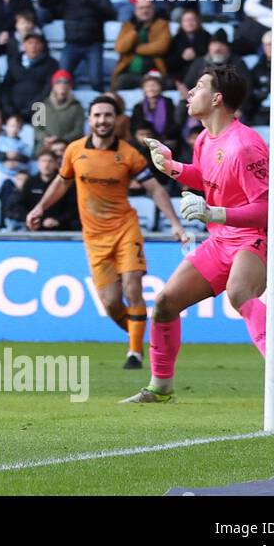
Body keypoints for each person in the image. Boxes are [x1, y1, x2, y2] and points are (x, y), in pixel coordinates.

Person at [130, 65, 272, 403]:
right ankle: (160, 388)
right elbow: (207, 178)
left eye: (198, 86)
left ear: (217, 97)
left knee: (239, 293)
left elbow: (268, 208)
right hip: (220, 239)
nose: (190, 93)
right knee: (165, 303)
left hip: (253, 237)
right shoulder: (205, 138)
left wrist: (215, 212)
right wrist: (172, 167)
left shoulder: (246, 145)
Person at [30, 95, 188, 368]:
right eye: (98, 115)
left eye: (107, 115)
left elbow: (155, 189)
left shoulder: (128, 154)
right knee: (111, 303)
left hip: (125, 228)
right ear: (89, 119)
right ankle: (141, 336)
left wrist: (175, 223)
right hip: (94, 236)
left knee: (132, 287)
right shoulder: (74, 151)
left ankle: (135, 354)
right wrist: (39, 208)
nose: (102, 120)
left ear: (116, 119)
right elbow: (61, 182)